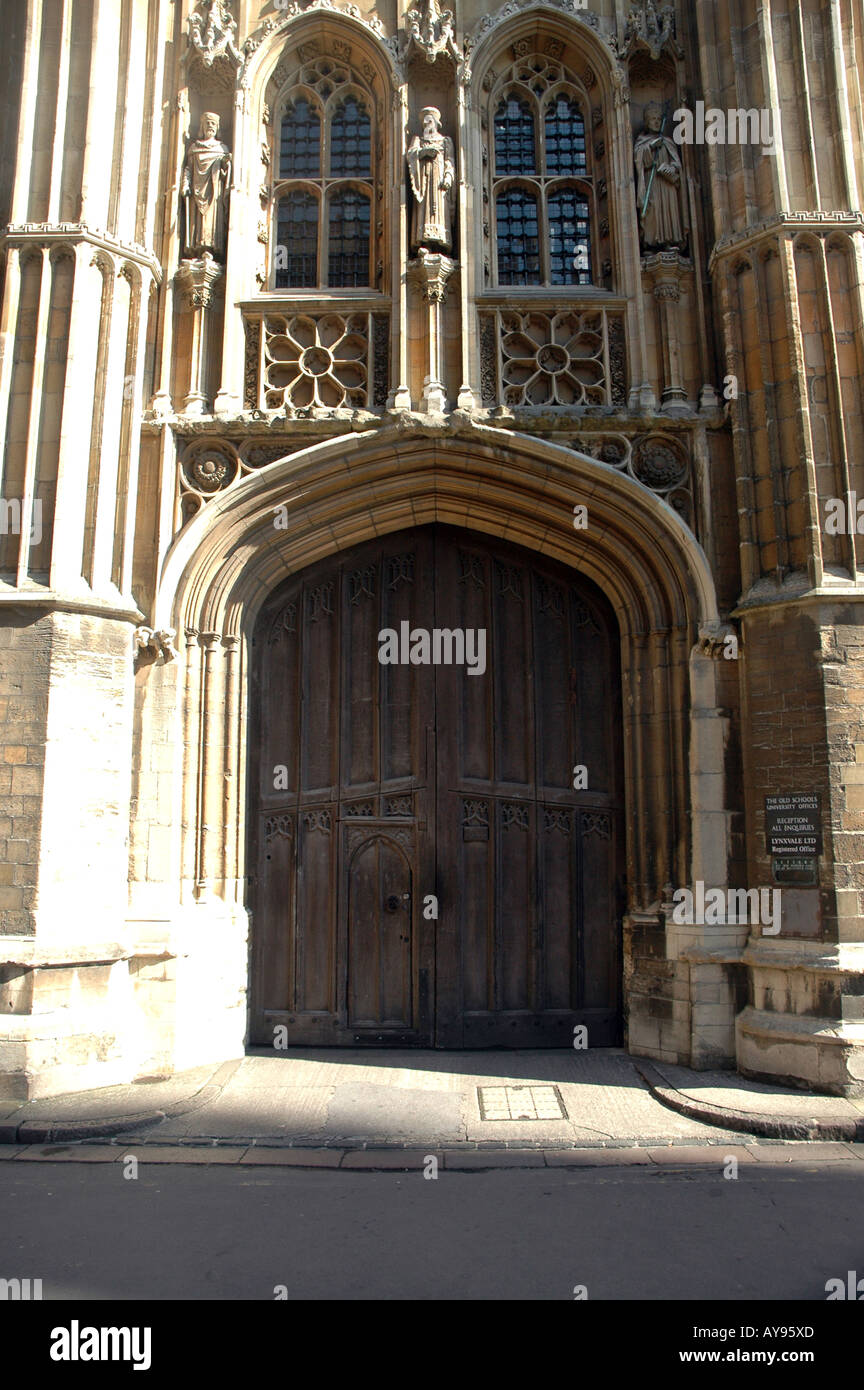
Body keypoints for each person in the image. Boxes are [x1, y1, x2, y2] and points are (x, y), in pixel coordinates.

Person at [634, 100, 685, 249]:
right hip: (652, 181)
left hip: (666, 183)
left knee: (668, 212)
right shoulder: (642, 142)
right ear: (646, 122)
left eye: (658, 120)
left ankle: (669, 241)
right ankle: (651, 244)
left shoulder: (667, 142)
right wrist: (650, 147)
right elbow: (638, 159)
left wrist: (671, 168)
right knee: (653, 208)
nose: (656, 122)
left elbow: (677, 163)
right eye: (653, 119)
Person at [181, 112, 232, 258]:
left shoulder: (221, 149)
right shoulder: (194, 148)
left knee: (212, 219)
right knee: (197, 220)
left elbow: (224, 173)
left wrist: (225, 164)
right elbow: (188, 169)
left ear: (217, 128)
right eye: (207, 123)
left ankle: (210, 249)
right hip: (197, 191)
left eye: (213, 124)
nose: (210, 126)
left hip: (214, 192)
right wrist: (185, 184)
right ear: (202, 126)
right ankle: (197, 249)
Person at [407, 107, 455, 254]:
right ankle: (425, 243)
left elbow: (450, 161)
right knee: (424, 211)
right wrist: (423, 152)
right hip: (424, 182)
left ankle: (440, 245)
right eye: (424, 123)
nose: (426, 125)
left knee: (439, 211)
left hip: (439, 182)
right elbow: (410, 155)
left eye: (429, 121)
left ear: (435, 123)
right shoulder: (418, 140)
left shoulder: (445, 141)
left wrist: (448, 176)